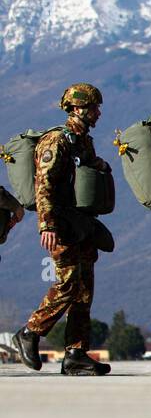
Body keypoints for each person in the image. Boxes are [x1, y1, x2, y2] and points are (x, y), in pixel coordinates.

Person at [13, 83, 113, 376]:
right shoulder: (56, 141)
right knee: (68, 284)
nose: (98, 112)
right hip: (61, 224)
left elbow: (86, 169)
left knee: (84, 291)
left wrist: (101, 165)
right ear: (77, 109)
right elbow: (44, 185)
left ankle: (76, 354)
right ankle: (30, 332)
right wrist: (47, 225)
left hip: (81, 224)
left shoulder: (82, 141)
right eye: (93, 107)